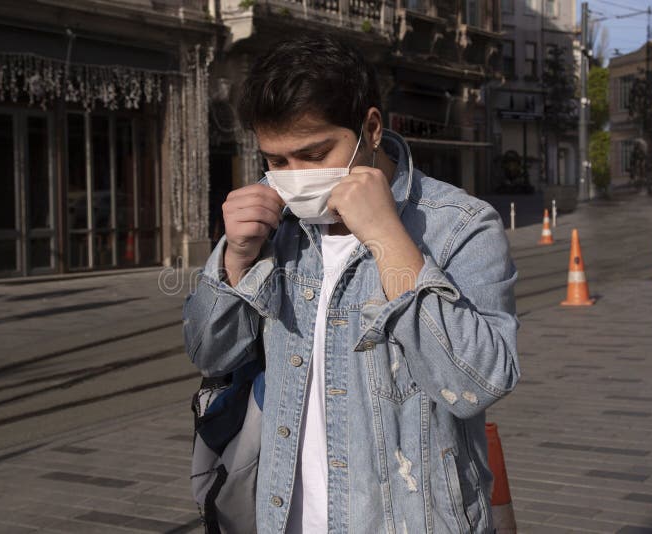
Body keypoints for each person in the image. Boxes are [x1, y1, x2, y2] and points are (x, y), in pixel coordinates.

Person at [184, 34, 520, 533]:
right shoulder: (273, 226)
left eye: (315, 154)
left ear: (372, 128)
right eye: (277, 161)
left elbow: (475, 384)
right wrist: (236, 254)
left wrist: (387, 235)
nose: (294, 177)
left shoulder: (460, 225)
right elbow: (209, 353)